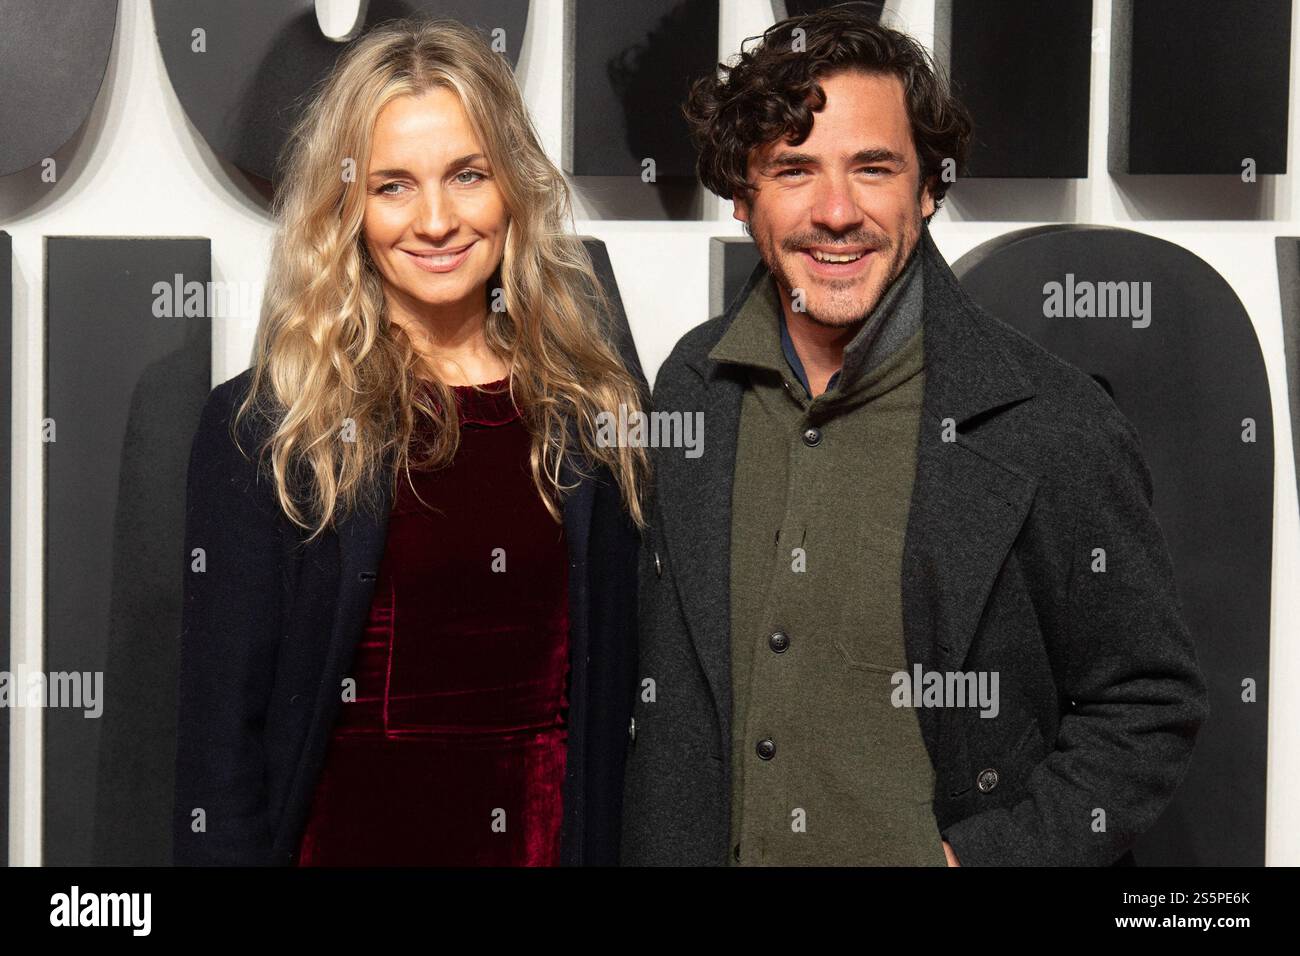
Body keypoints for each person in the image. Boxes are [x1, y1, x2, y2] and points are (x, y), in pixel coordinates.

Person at [621, 7, 1209, 866]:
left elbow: (1148, 701)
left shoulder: (1051, 422)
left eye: (873, 167)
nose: (835, 210)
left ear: (927, 188)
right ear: (743, 196)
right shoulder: (691, 390)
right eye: (793, 169)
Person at [173, 17, 648, 866]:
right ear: (347, 206)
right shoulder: (271, 425)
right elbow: (221, 753)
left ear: (513, 185)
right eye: (393, 186)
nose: (436, 220)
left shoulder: (591, 401)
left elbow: (618, 707)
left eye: (467, 175)